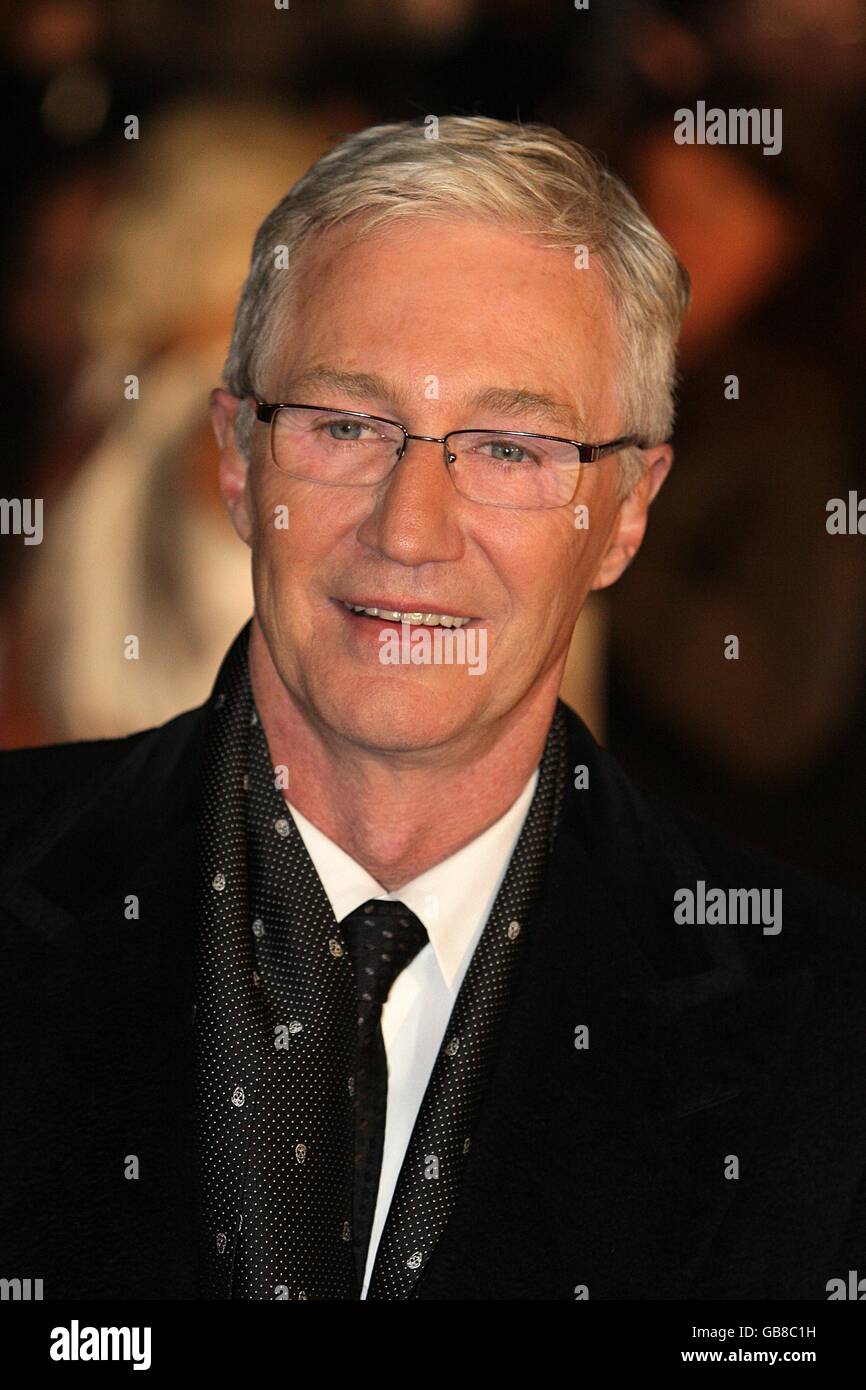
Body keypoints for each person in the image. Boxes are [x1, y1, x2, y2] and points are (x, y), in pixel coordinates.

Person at [1, 116, 864, 1302]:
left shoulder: (824, 1032)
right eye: (346, 426)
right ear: (239, 463)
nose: (411, 530)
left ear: (624, 510)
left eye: (510, 449)